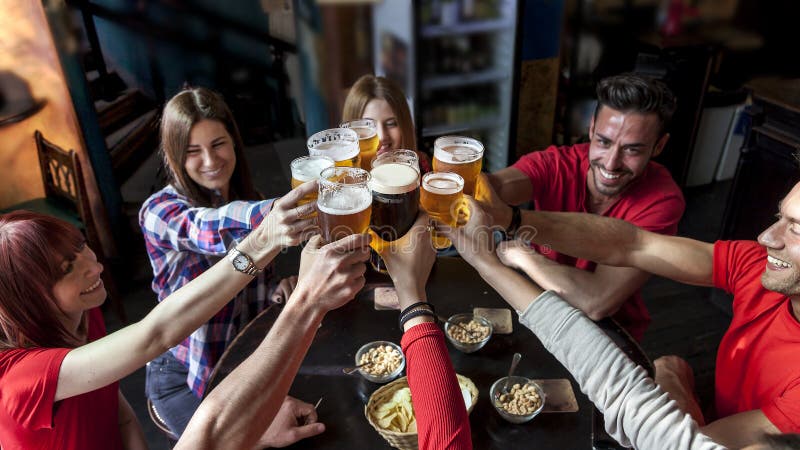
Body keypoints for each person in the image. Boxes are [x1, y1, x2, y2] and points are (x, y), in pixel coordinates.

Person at [0, 184, 356, 449]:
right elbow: (156, 334)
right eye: (67, 268)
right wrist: (264, 242)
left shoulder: (80, 315)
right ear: (30, 297)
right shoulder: (21, 378)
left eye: (81, 246)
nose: (93, 266)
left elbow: (120, 416)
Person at [434, 197, 799, 450]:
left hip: (709, 433)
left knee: (669, 369)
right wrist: (512, 218)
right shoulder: (760, 266)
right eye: (779, 216)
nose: (767, 237)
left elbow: (682, 439)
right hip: (721, 417)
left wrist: (671, 382)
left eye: (796, 228)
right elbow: (633, 244)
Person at [138, 87, 311, 437]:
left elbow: (250, 287)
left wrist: (276, 290)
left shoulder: (249, 198)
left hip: (237, 359)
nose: (210, 160)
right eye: (193, 152)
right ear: (174, 155)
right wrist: (272, 214)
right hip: (185, 374)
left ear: (234, 142)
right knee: (251, 439)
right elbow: (206, 226)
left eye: (218, 144)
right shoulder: (159, 211)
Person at [476, 73, 685, 341]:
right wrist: (459, 184)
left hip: (607, 333)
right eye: (604, 142)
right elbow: (494, 188)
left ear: (659, 146)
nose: (611, 163)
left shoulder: (662, 201)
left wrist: (522, 255)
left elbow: (597, 301)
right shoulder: (556, 164)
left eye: (632, 150)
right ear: (592, 128)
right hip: (538, 304)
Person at [342, 74, 432, 172]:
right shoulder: (341, 177)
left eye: (391, 124)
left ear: (404, 124)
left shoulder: (421, 166)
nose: (382, 137)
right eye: (369, 126)